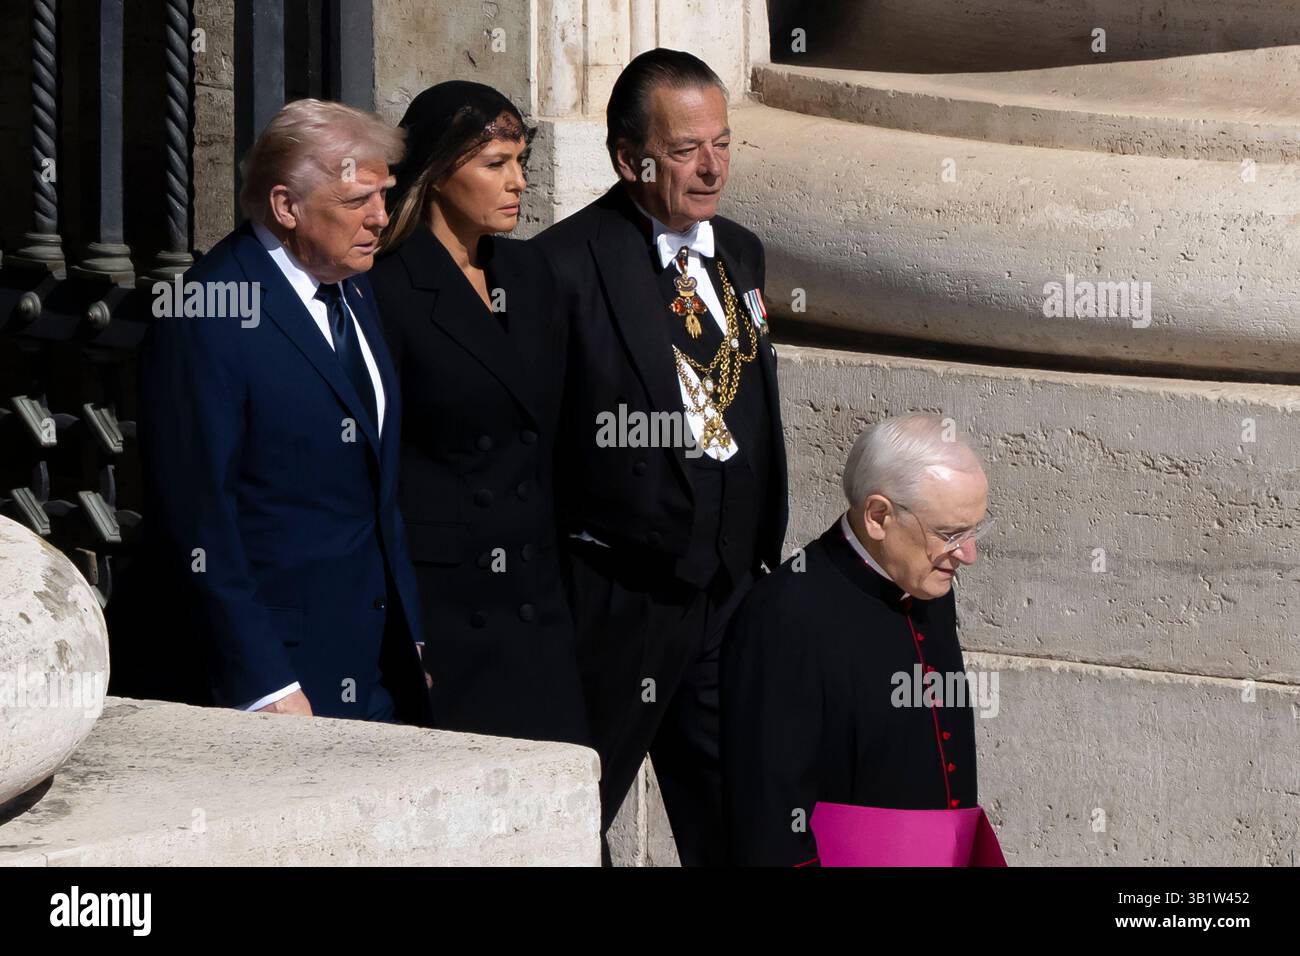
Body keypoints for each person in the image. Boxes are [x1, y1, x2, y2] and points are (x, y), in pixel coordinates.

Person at [534, 49, 788, 864]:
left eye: (721, 142)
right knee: (571, 816)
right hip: (616, 604)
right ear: (629, 159)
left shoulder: (740, 252)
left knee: (737, 822)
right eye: (685, 150)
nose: (710, 166)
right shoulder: (563, 266)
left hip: (728, 597)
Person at [134, 99, 432, 724]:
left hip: (376, 662)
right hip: (277, 681)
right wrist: (263, 683)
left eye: (384, 195)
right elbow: (197, 521)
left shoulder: (352, 286)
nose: (381, 218)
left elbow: (377, 489)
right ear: (285, 206)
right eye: (357, 202)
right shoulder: (207, 313)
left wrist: (410, 635)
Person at [367, 82, 588, 745]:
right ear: (436, 174)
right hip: (446, 610)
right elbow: (377, 463)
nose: (518, 182)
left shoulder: (529, 274)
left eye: (521, 161)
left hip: (536, 602)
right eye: (495, 164)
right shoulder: (387, 286)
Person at [721, 413, 993, 866]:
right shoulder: (784, 617)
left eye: (973, 530)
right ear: (879, 516)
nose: (969, 554)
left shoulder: (926, 583)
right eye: (950, 534)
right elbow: (769, 826)